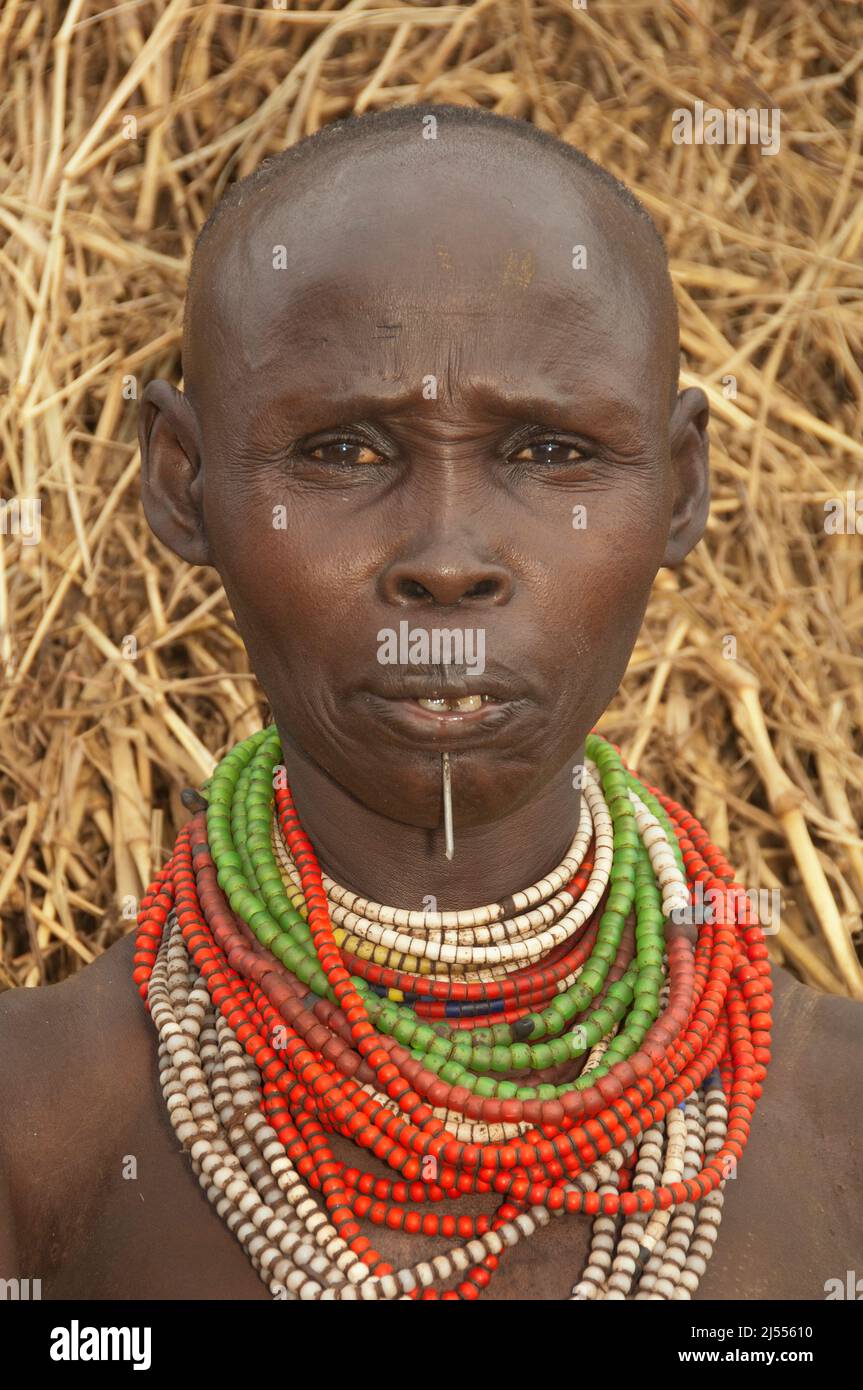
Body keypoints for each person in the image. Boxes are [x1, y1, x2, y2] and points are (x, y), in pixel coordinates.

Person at [1, 105, 860, 1302]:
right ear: (183, 484)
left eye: (550, 452)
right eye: (344, 451)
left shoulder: (837, 1135)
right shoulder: (36, 1136)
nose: (448, 557)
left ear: (680, 490)